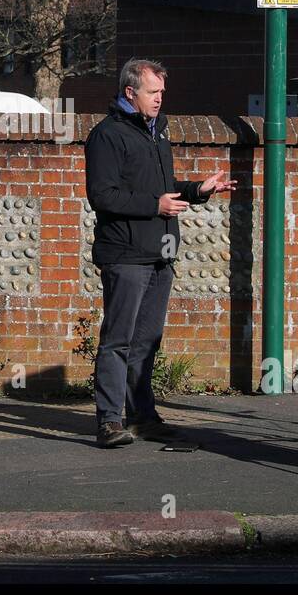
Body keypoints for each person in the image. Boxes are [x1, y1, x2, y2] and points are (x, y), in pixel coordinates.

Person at [84, 58, 236, 448]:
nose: (160, 99)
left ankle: (143, 417)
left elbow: (164, 187)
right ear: (130, 92)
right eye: (153, 92)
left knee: (147, 340)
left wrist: (197, 191)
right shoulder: (107, 135)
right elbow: (103, 196)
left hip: (160, 253)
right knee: (118, 339)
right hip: (125, 253)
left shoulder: (158, 133)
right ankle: (109, 422)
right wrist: (155, 205)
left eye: (162, 92)